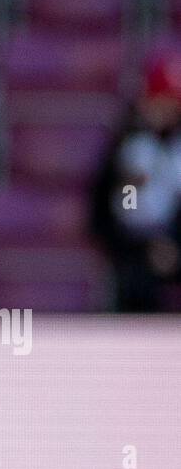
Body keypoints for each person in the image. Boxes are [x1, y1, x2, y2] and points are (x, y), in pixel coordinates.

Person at [90, 50, 181, 313]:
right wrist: (143, 247)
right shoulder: (130, 145)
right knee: (137, 283)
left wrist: (172, 244)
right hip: (134, 255)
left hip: (173, 244)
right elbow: (106, 210)